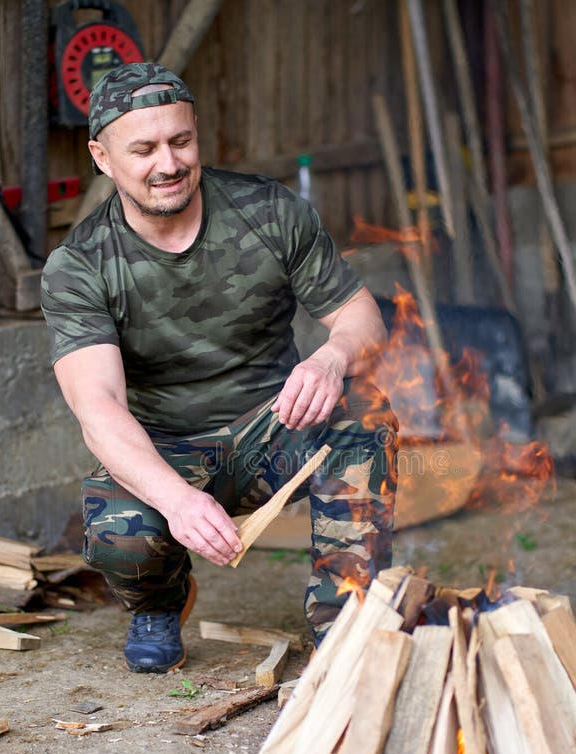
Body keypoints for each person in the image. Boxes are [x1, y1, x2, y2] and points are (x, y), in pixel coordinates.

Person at [40, 62, 398, 674]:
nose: (168, 163)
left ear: (196, 131)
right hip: (166, 447)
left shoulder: (270, 211)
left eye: (180, 140)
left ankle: (347, 623)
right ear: (101, 156)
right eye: (144, 149)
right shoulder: (79, 266)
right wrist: (178, 502)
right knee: (120, 530)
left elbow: (361, 316)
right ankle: (159, 601)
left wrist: (332, 357)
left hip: (274, 426)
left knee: (365, 417)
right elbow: (97, 407)